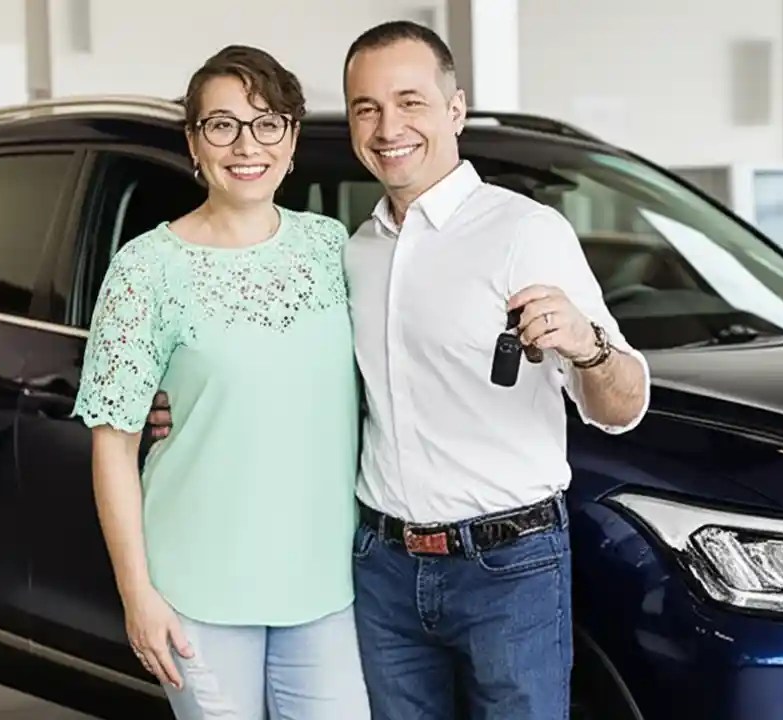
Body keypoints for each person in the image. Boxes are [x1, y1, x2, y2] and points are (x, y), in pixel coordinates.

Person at [150, 20, 650, 720]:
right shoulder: (350, 252)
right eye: (367, 108)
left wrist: (589, 345)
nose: (389, 127)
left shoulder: (525, 232)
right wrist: (177, 396)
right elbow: (275, 355)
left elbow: (622, 406)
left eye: (410, 101)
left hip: (507, 569)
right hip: (380, 568)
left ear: (455, 109)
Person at [72, 44, 370, 719]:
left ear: (292, 141)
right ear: (194, 142)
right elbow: (113, 446)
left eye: (268, 123)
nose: (247, 144)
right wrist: (138, 596)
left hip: (327, 586)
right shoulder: (146, 268)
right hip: (196, 591)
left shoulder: (331, 247)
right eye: (223, 124)